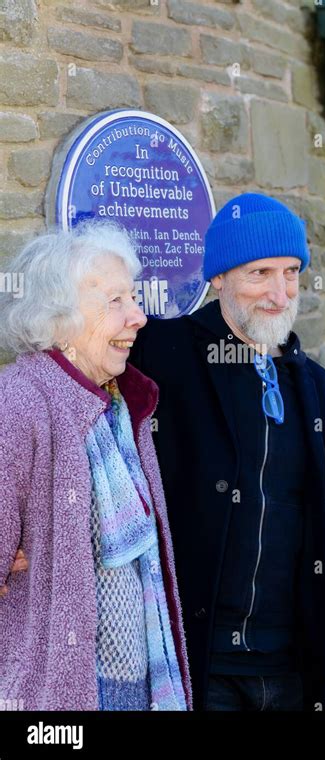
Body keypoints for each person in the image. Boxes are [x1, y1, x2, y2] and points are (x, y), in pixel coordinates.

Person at [128, 192, 325, 711]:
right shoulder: (163, 353)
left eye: (291, 272)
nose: (279, 293)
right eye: (260, 273)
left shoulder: (320, 388)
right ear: (219, 277)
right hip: (202, 666)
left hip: (292, 670)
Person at [0, 221, 191, 711]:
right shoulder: (18, 404)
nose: (139, 317)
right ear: (58, 318)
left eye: (133, 298)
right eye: (116, 301)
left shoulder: (120, 409)